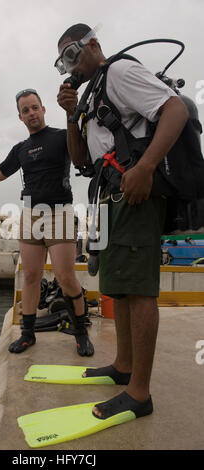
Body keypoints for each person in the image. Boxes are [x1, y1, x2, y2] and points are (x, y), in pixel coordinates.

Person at [56, 24, 189, 420]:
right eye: (63, 59)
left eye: (73, 53)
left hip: (135, 192)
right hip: (109, 196)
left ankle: (139, 393)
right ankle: (124, 368)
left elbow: (175, 108)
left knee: (139, 289)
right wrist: (69, 115)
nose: (70, 64)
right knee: (120, 286)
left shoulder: (118, 72)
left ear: (93, 44)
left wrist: (147, 167)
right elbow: (81, 160)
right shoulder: (94, 91)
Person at [0, 89, 94, 357]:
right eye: (25, 110)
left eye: (34, 108)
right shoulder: (20, 149)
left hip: (60, 213)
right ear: (20, 117)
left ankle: (80, 331)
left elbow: (82, 150)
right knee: (31, 276)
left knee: (65, 277)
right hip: (31, 214)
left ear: (43, 109)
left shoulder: (61, 137)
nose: (31, 113)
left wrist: (73, 114)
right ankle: (27, 334)